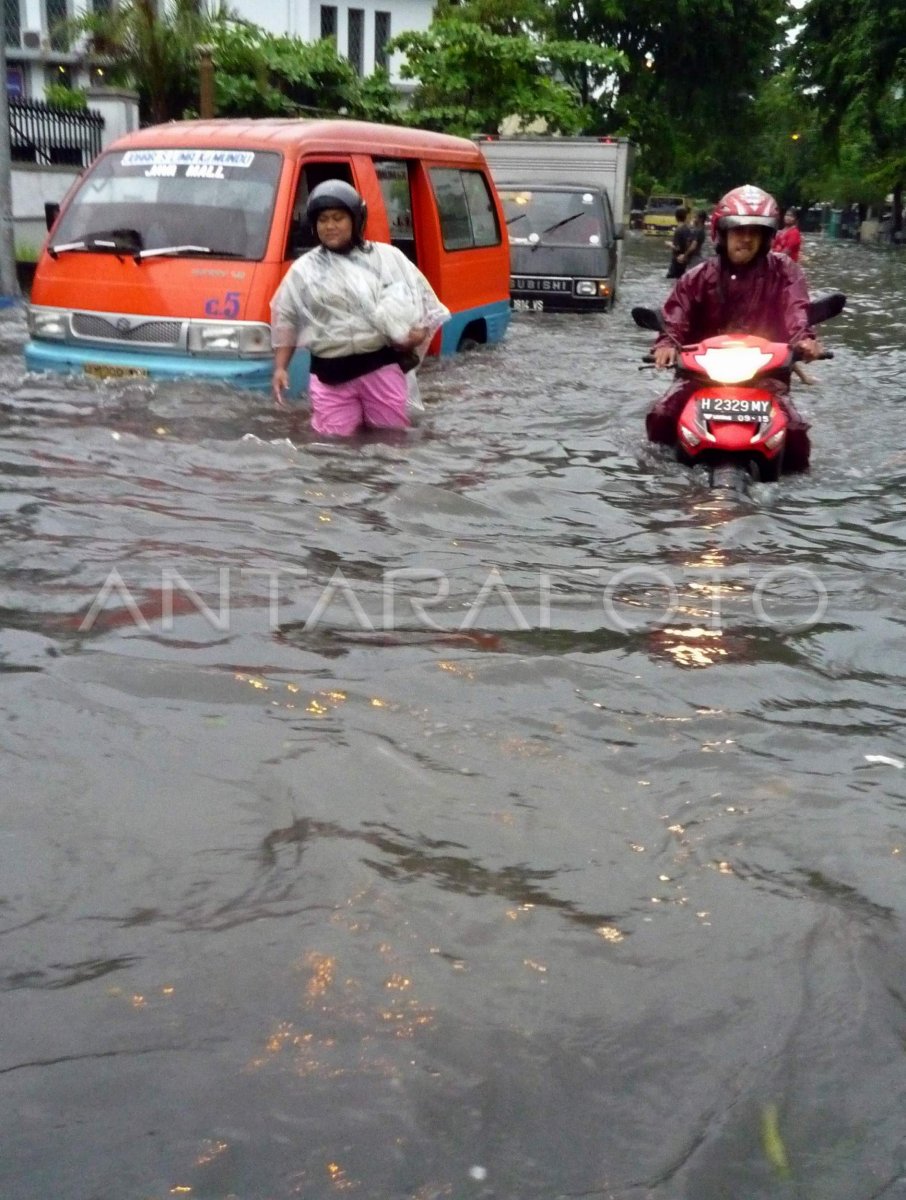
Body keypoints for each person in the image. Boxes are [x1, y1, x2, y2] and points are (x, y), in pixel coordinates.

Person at [646, 184, 823, 471]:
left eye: (756, 232)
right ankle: (662, 475)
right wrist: (666, 343)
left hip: (766, 377)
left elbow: (797, 309)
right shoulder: (698, 276)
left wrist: (804, 339)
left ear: (767, 238)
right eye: (739, 231)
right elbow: (676, 314)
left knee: (795, 432)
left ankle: (792, 498)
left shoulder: (785, 272)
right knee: (662, 415)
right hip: (700, 377)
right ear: (723, 232)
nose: (747, 239)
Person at [270, 179, 450, 436]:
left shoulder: (386, 259)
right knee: (333, 446)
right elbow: (286, 317)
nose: (330, 226)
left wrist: (415, 335)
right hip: (329, 375)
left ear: (356, 220)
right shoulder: (304, 270)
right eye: (322, 220)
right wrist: (280, 368)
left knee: (390, 442)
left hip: (380, 367)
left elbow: (418, 300)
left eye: (338, 218)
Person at [666, 206, 695, 278]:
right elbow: (689, 244)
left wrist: (670, 244)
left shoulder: (678, 230)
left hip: (677, 260)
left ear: (676, 217)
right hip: (685, 260)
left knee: (675, 282)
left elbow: (677, 248)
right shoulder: (687, 229)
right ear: (685, 217)